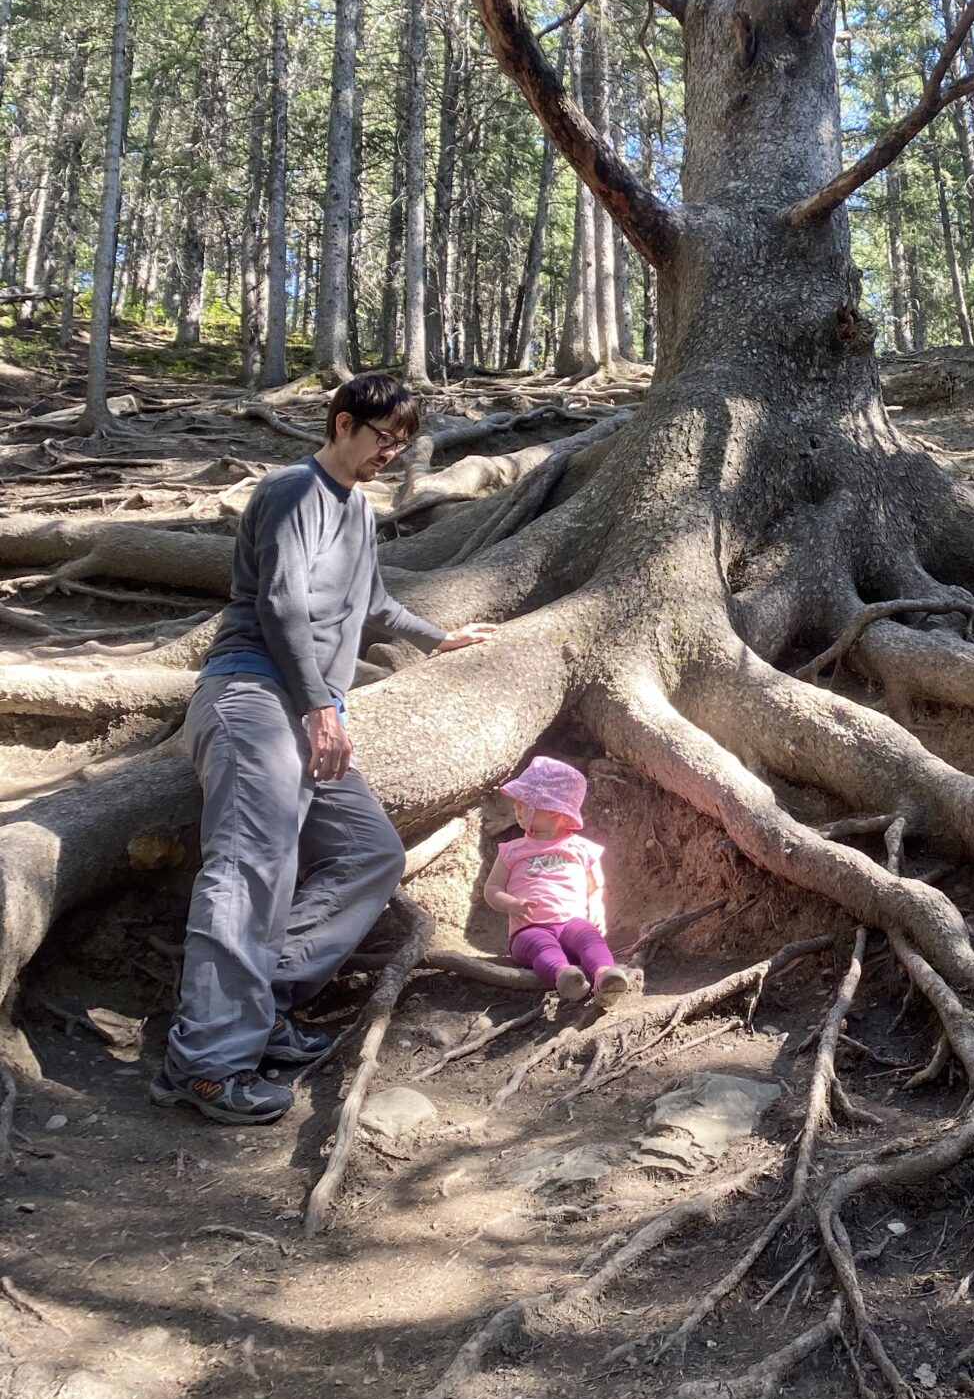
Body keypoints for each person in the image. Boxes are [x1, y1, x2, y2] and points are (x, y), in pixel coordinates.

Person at [151, 371, 494, 1125]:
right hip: (253, 695)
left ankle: (261, 1007)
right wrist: (318, 707)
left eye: (402, 442)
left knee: (369, 852)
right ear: (342, 424)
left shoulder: (358, 510)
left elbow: (375, 604)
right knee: (252, 864)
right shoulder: (291, 491)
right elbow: (280, 603)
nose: (391, 452)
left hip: (310, 710)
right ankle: (206, 1063)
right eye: (383, 436)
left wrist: (442, 639)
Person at [485, 757, 639, 1007]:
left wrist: (597, 910)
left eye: (525, 804)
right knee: (539, 945)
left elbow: (596, 887)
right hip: (529, 928)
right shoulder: (511, 850)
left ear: (555, 811)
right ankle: (565, 976)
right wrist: (510, 904)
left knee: (589, 938)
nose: (517, 809)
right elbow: (492, 888)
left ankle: (605, 975)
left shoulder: (581, 848)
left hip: (572, 922)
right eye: (517, 804)